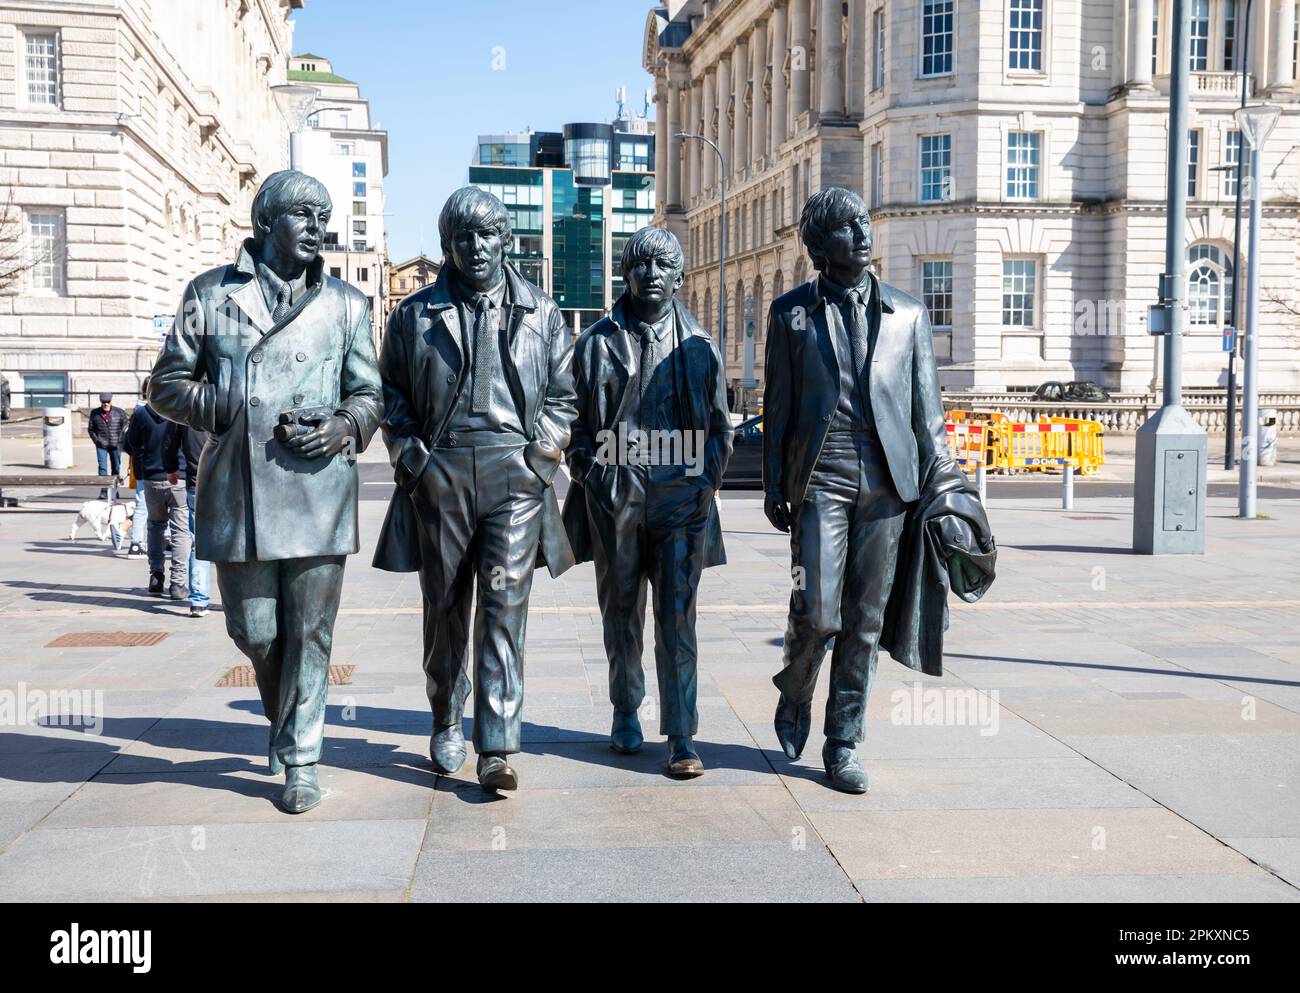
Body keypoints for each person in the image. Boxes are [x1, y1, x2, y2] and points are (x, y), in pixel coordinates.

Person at [150, 170, 383, 814]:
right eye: (303, 214)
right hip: (240, 494)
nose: (316, 227)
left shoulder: (346, 304)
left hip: (318, 491)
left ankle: (302, 758)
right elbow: (164, 386)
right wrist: (222, 404)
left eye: (322, 216)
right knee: (255, 632)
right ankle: (285, 725)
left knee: (312, 633)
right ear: (265, 223)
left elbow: (370, 396)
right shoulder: (210, 294)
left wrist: (342, 426)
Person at [762, 188, 995, 794]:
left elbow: (929, 419)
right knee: (816, 611)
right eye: (844, 226)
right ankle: (796, 689)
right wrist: (772, 485)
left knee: (864, 621)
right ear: (819, 245)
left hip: (889, 482)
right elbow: (779, 408)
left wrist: (950, 491)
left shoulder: (909, 315)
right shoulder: (791, 314)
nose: (861, 233)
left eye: (862, 221)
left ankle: (843, 742)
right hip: (821, 475)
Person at [373, 186, 577, 793]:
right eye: (463, 237)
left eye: (488, 234)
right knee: (445, 607)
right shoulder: (416, 315)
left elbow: (565, 398)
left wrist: (539, 458)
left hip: (515, 475)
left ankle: (496, 743)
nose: (477, 246)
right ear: (447, 246)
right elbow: (390, 397)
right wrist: (414, 460)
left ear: (506, 239)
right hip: (443, 471)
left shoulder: (542, 312)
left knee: (504, 607)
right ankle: (445, 714)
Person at [562, 227, 732, 776]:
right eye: (641, 265)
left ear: (680, 278)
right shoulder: (594, 343)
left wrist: (704, 482)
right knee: (621, 613)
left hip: (680, 498)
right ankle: (625, 709)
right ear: (625, 274)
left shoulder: (702, 347)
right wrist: (589, 470)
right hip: (617, 493)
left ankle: (682, 734)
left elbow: (719, 429)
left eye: (663, 266)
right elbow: (573, 420)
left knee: (678, 620)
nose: (651, 274)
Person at [124, 387, 190, 599]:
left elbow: (130, 443)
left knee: (155, 526)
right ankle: (178, 583)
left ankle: (156, 575)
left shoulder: (142, 413)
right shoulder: (180, 411)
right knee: (181, 532)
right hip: (180, 477)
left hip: (152, 477)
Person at [163, 421, 211, 618]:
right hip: (228, 482)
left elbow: (168, 442)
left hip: (196, 482)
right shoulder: (230, 400)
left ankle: (199, 601)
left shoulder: (188, 406)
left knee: (198, 543)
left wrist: (171, 467)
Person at [88, 392, 128, 498]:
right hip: (101, 444)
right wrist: (97, 441)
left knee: (116, 467)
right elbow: (91, 429)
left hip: (116, 444)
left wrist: (121, 440)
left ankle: (114, 490)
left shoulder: (119, 412)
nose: (106, 404)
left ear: (111, 401)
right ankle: (104, 490)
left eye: (108, 401)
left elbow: (125, 426)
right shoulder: (95, 413)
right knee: (102, 468)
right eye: (103, 402)